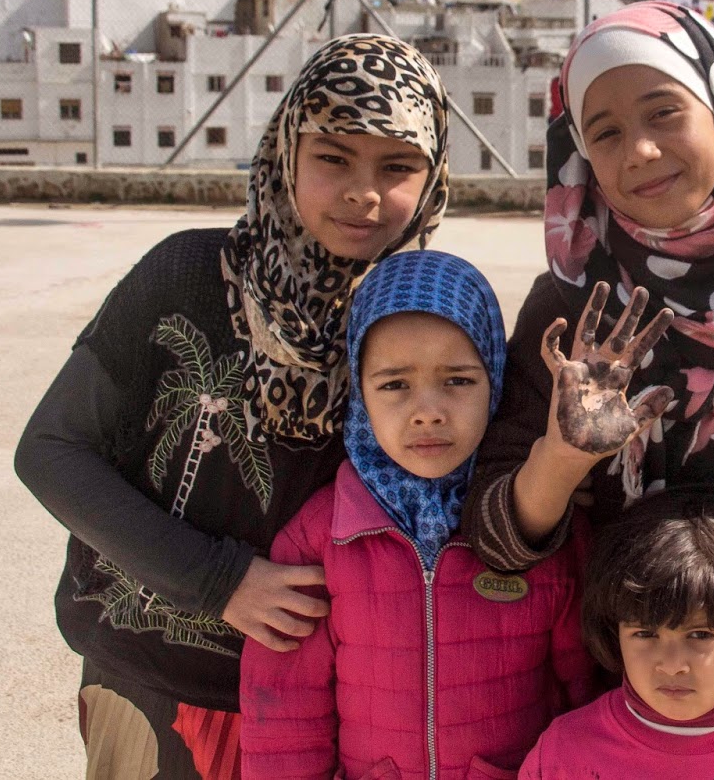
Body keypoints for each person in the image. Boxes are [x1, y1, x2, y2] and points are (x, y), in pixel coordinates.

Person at [15, 35, 449, 779]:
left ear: (434, 177)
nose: (364, 192)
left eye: (397, 166)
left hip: (328, 708)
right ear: (286, 152)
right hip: (154, 682)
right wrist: (218, 580)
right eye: (334, 157)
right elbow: (52, 451)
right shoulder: (184, 275)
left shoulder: (424, 321)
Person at [462, 0, 714, 777]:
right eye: (605, 132)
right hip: (622, 711)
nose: (640, 150)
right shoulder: (569, 309)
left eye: (664, 112)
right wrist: (564, 458)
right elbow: (494, 541)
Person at [239, 250, 594, 779]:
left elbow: (585, 699)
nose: (428, 411)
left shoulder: (540, 525)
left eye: (458, 380)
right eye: (394, 384)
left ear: (495, 382)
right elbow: (285, 718)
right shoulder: (320, 537)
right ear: (359, 391)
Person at [520, 486, 714, 780]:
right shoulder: (563, 754)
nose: (671, 665)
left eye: (700, 635)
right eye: (645, 634)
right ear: (615, 634)